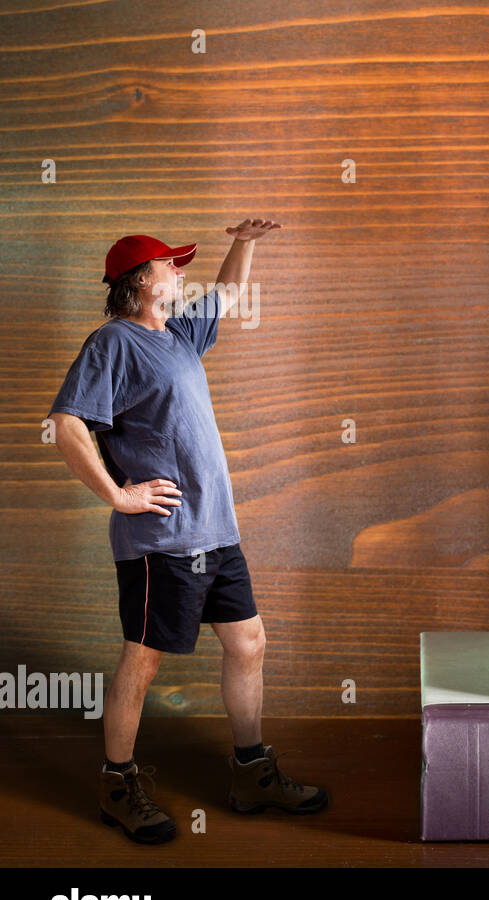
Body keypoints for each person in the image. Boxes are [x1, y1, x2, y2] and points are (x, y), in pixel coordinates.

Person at [48, 222, 328, 844]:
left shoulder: (178, 335)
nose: (181, 274)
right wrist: (120, 496)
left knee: (249, 643)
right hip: (162, 544)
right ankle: (117, 785)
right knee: (142, 662)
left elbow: (227, 293)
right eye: (171, 266)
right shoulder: (112, 343)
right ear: (140, 280)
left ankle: (252, 775)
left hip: (218, 535)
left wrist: (246, 242)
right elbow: (68, 425)